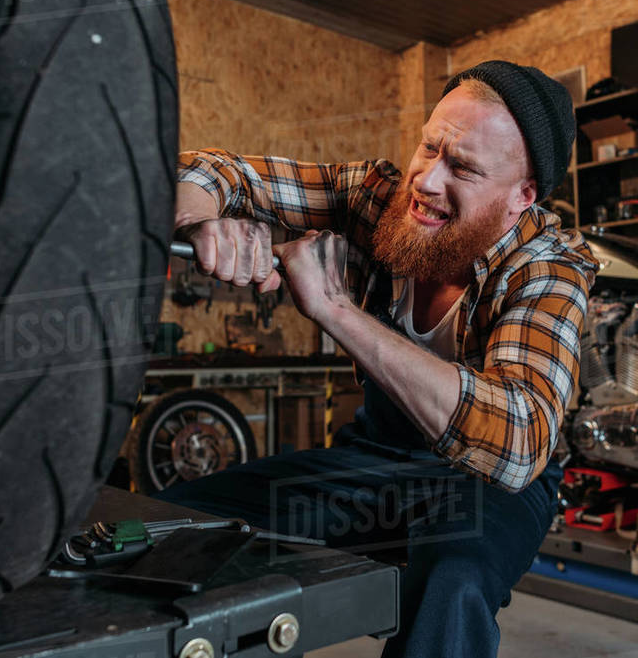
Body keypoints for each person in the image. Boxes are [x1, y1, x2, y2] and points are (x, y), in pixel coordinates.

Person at [157, 60, 596, 658]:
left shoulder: (548, 267)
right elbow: (217, 169)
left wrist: (337, 310)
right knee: (174, 527)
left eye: (463, 168)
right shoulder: (377, 200)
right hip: (378, 459)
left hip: (487, 485)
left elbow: (517, 441)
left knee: (453, 581)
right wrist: (201, 221)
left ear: (522, 196)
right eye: (429, 147)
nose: (428, 180)